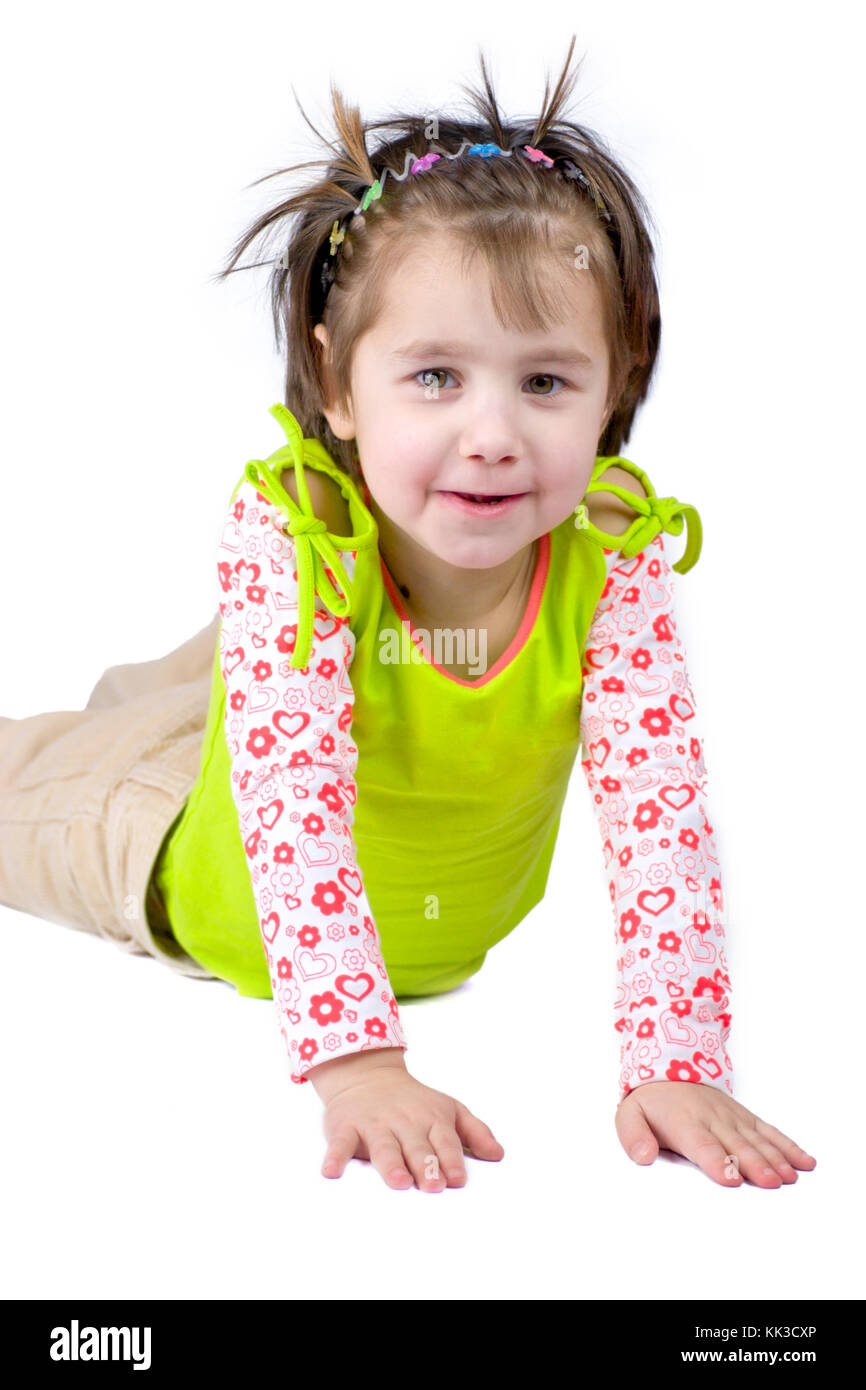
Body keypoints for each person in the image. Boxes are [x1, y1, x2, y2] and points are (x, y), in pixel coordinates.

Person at [0, 36, 816, 1193]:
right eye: (435, 376)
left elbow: (658, 822)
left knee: (258, 681)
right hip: (161, 842)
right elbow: (290, 808)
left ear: (615, 382)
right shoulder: (288, 529)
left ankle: (190, 693)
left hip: (343, 682)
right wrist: (359, 1061)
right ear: (335, 382)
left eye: (543, 381)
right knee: (45, 774)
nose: (491, 433)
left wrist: (675, 1058)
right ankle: (159, 710)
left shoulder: (611, 553)